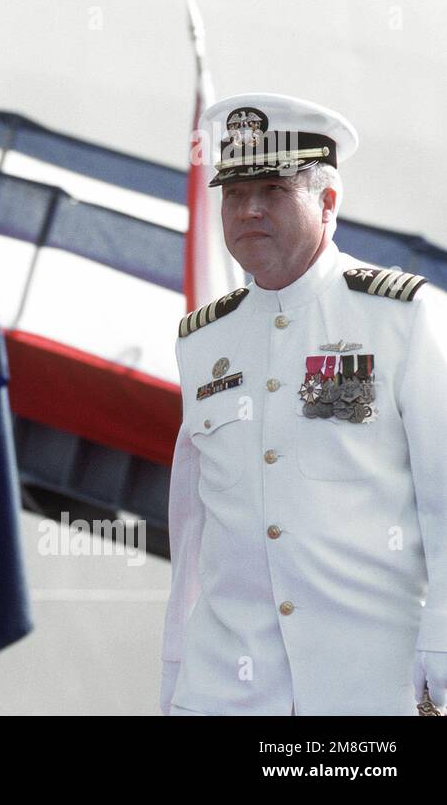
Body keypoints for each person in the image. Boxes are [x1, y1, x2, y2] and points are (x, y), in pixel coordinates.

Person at [161, 93, 447, 715]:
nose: (250, 209)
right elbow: (193, 529)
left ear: (329, 201)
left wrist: (444, 649)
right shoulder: (203, 340)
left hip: (368, 691)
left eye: (274, 188)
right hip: (227, 691)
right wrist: (176, 669)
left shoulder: (402, 318)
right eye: (235, 193)